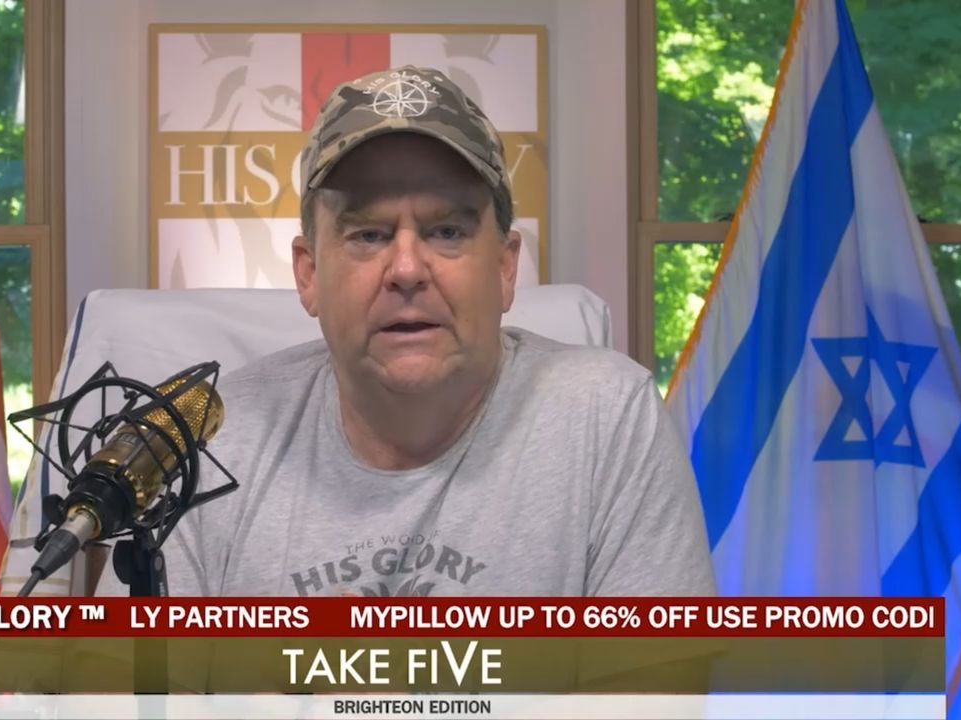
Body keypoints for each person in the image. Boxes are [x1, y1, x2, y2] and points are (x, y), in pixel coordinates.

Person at [163, 65, 715, 602]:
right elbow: (131, 664)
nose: (407, 269)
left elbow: (665, 666)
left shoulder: (607, 419)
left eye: (447, 231)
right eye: (368, 234)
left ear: (505, 267)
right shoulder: (211, 440)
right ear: (308, 275)